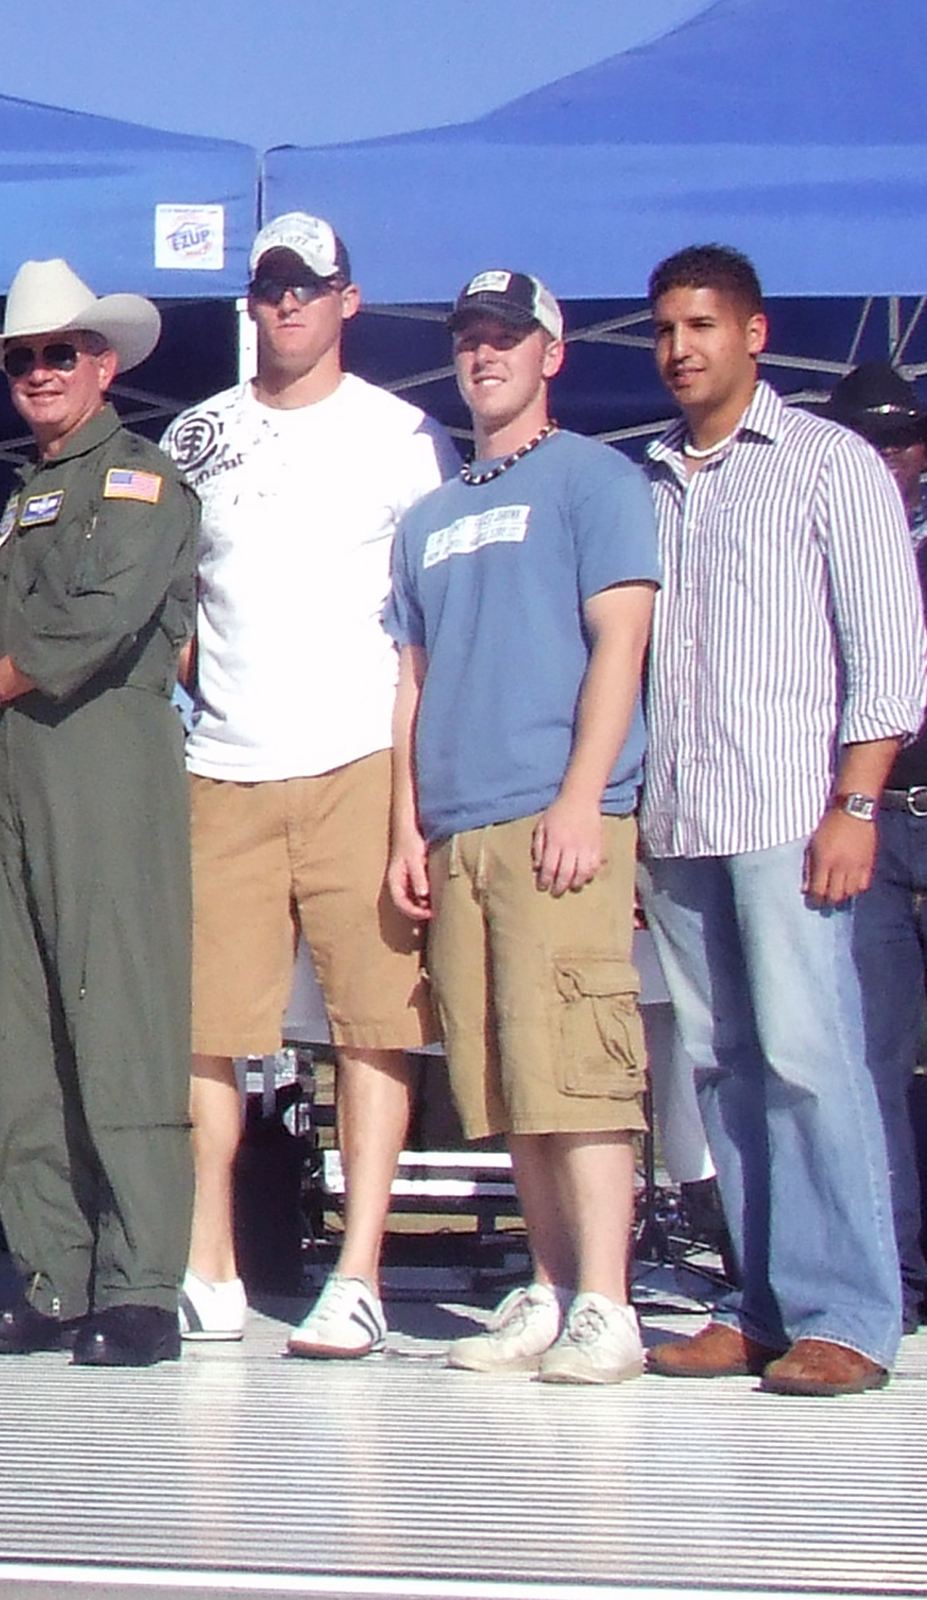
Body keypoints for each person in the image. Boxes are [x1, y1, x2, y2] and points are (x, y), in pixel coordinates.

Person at [158, 213, 455, 1354]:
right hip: (222, 766)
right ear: (249, 302)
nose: (286, 304)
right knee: (207, 1027)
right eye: (269, 286)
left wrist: (411, 802)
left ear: (348, 299)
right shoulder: (196, 436)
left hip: (359, 763)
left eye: (308, 286)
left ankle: (360, 1271)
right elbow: (171, 601)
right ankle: (210, 1262)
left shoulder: (408, 437)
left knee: (373, 1024)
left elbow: (431, 622)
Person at [639, 245, 927, 1396]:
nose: (677, 348)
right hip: (685, 813)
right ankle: (759, 1300)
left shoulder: (829, 463)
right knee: (724, 1069)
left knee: (815, 1059)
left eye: (701, 325)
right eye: (663, 328)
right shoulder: (648, 478)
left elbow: (891, 659)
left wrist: (853, 802)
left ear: (755, 335)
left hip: (793, 808)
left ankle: (850, 1312)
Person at [0, 258, 198, 1368]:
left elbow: (98, 620)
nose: (38, 372)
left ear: (104, 362)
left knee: (120, 1026)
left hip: (106, 773)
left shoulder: (144, 482)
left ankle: (139, 1286)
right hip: (20, 779)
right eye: (23, 357)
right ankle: (55, 1273)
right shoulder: (23, 493)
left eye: (58, 354)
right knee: (24, 1042)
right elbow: (13, 615)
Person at [386, 271, 659, 1383]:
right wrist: (407, 828)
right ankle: (549, 1289)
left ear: (553, 351)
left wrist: (584, 795)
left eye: (508, 338)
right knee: (508, 1079)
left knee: (582, 1070)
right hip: (458, 829)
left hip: (560, 816)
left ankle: (611, 1301)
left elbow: (622, 643)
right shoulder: (431, 517)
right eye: (470, 340)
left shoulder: (596, 479)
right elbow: (411, 678)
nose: (485, 355)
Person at [827, 360, 927, 1332]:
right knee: (873, 1060)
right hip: (874, 815)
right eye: (867, 439)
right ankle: (894, 1274)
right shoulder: (823, 553)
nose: (885, 458)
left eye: (900, 439)